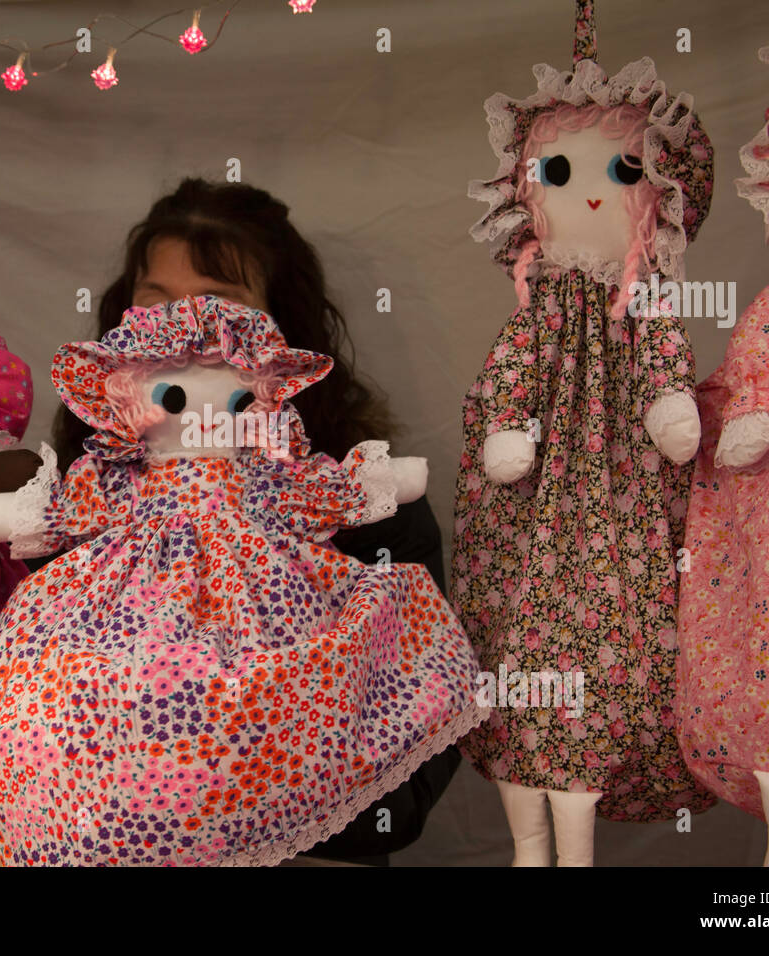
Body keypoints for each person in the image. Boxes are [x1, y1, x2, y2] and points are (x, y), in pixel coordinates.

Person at [48, 177, 461, 863]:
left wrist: (246, 803)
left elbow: (411, 762)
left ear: (284, 336)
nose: (187, 331)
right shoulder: (85, 503)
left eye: (220, 302)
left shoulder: (369, 513)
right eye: (158, 302)